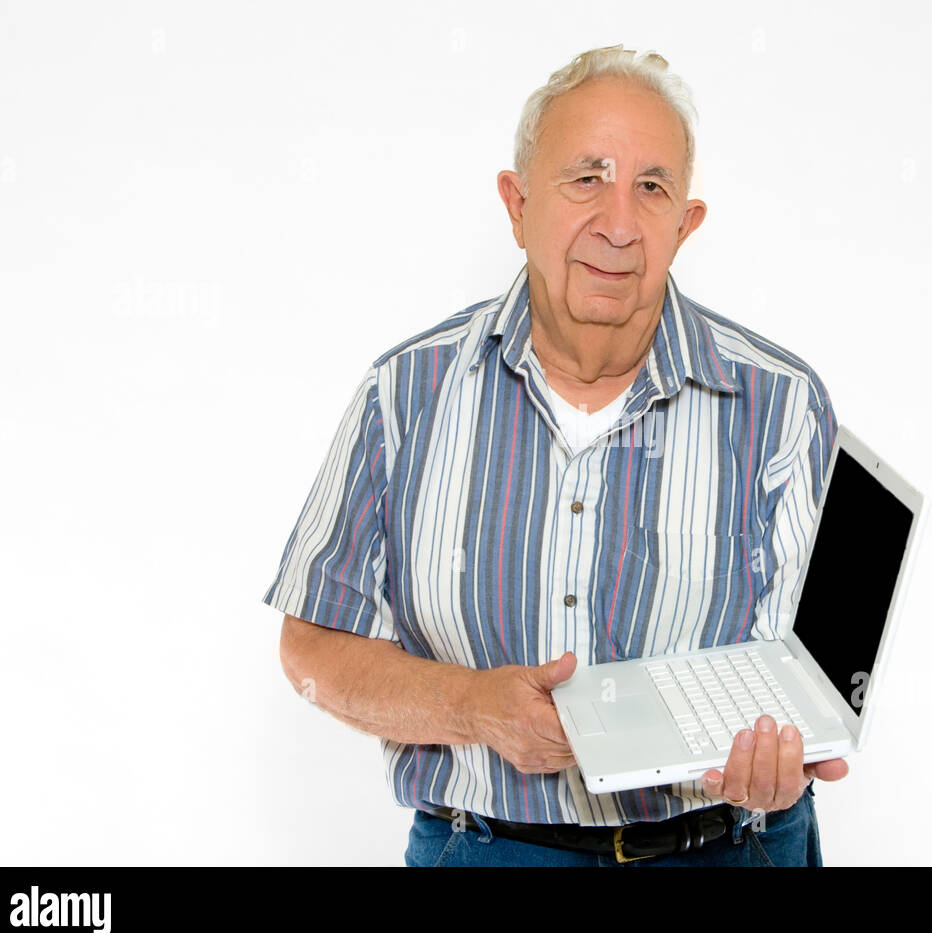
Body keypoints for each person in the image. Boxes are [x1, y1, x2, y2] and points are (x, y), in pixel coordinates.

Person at [263, 44, 848, 866]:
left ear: (686, 225)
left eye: (652, 188)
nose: (619, 224)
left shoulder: (783, 405)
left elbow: (809, 683)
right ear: (517, 203)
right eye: (587, 178)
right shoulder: (404, 393)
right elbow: (313, 646)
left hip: (728, 846)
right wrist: (472, 706)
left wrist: (787, 756)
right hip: (488, 848)